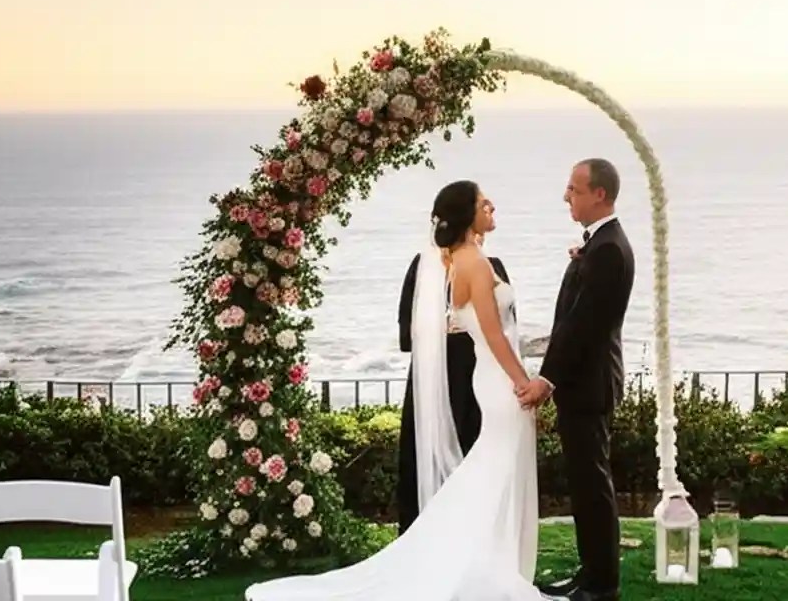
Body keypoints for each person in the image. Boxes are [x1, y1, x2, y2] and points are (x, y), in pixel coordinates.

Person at [245, 180, 542, 601]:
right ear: (465, 214)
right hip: (494, 377)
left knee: (485, 470)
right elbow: (492, 335)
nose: (490, 204)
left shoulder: (459, 261)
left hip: (487, 377)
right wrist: (524, 381)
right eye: (481, 202)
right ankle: (478, 562)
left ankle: (478, 560)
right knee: (491, 471)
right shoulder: (472, 262)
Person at [517, 158, 634, 601]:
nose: (567, 196)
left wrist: (546, 380)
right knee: (585, 486)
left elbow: (584, 324)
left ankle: (603, 585)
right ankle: (590, 574)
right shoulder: (599, 244)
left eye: (573, 188)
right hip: (584, 384)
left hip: (590, 385)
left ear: (598, 194)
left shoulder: (607, 248)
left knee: (594, 487)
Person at [395, 202, 512, 534]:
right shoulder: (490, 268)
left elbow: (407, 336)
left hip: (446, 382)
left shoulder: (423, 269)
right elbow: (505, 331)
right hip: (472, 380)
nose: (491, 206)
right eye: (481, 204)